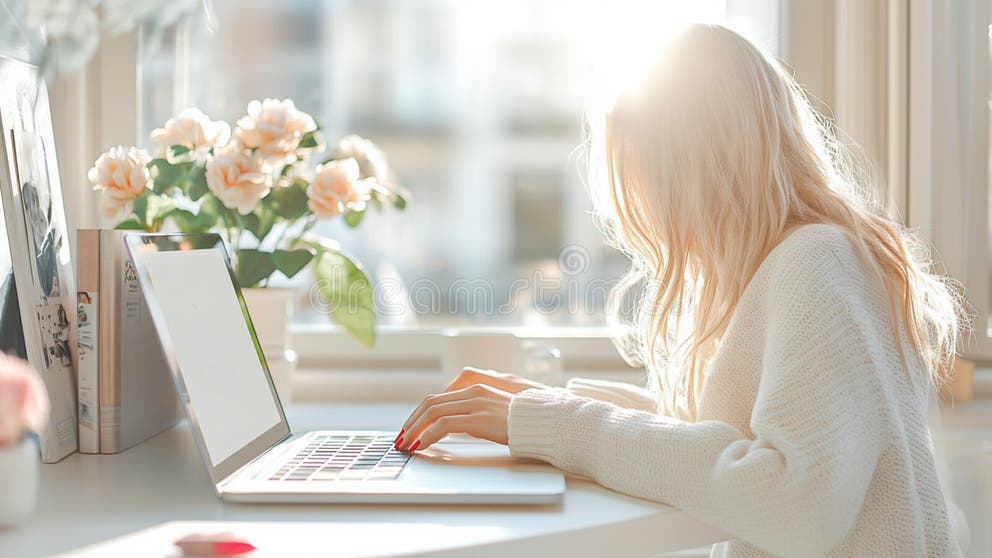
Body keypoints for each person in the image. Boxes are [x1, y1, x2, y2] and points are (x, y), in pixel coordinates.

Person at [397, 24, 964, 557]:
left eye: (642, 179)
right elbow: (718, 436)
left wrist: (561, 424)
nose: (648, 218)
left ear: (693, 167)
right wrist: (546, 410)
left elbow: (796, 500)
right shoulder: (796, 263)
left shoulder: (817, 262)